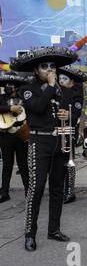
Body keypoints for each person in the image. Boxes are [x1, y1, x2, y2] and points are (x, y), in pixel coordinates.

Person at [10, 46, 78, 251]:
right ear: (35, 71)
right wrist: (50, 85)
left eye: (52, 66)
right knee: (36, 188)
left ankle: (54, 230)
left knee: (57, 188)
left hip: (60, 143)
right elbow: (38, 107)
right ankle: (30, 234)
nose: (49, 69)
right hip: (39, 144)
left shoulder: (62, 90)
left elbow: (70, 113)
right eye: (44, 66)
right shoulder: (28, 89)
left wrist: (69, 116)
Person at [57, 66, 87, 204]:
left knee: (68, 160)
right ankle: (59, 188)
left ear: (71, 82)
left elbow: (76, 113)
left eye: (65, 79)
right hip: (56, 130)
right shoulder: (55, 91)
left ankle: (70, 191)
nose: (61, 81)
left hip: (68, 129)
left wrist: (69, 114)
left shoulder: (76, 94)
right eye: (60, 79)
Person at [0, 74, 30, 203]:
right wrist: (9, 108)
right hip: (5, 134)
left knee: (23, 164)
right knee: (7, 164)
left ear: (16, 88)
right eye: (6, 86)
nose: (8, 88)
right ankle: (4, 192)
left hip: (20, 134)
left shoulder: (24, 99)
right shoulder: (1, 98)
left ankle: (28, 192)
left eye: (11, 86)